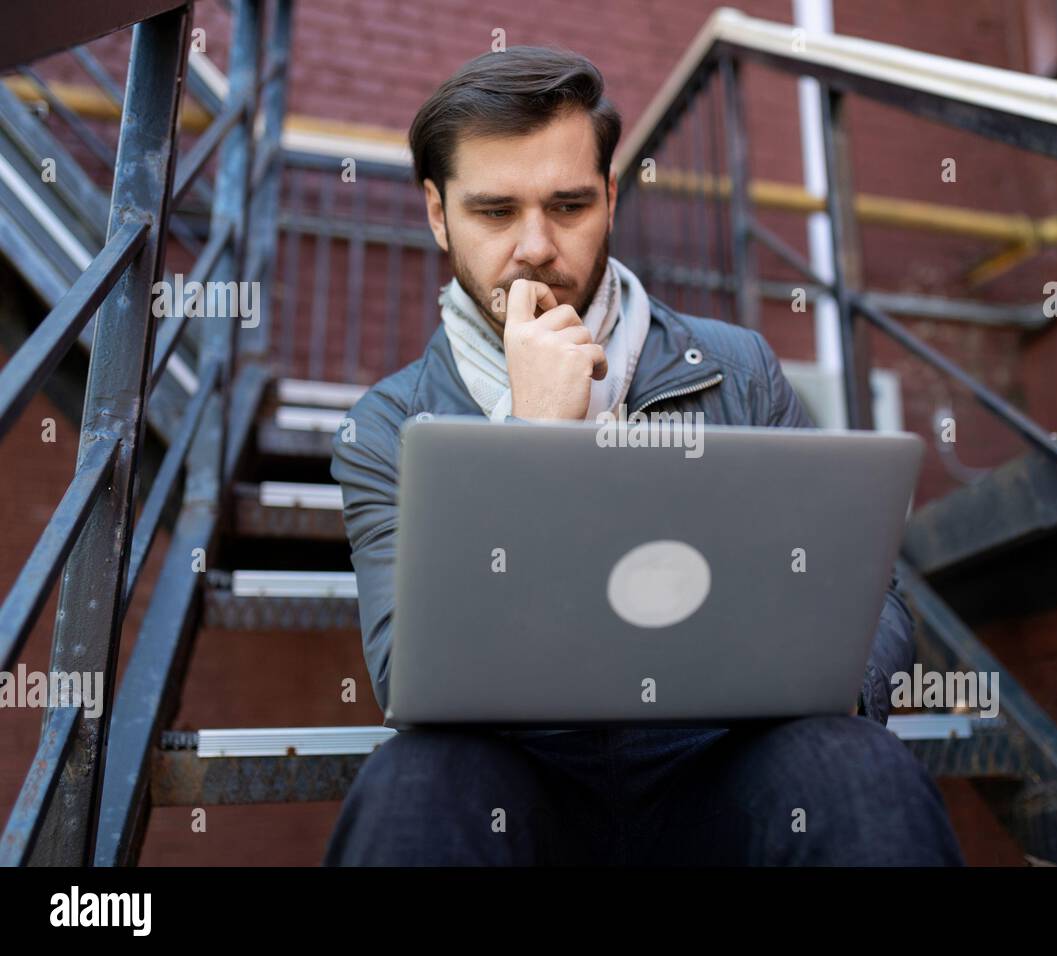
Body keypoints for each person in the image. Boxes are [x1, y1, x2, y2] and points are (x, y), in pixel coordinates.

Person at [323, 46, 963, 866]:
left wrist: (826, 693)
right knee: (409, 786)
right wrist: (536, 435)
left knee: (857, 772)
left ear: (612, 198)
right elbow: (402, 673)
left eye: (569, 205)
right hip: (516, 778)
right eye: (493, 212)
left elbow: (875, 598)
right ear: (438, 213)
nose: (535, 247)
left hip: (724, 762)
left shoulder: (741, 371)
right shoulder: (385, 428)